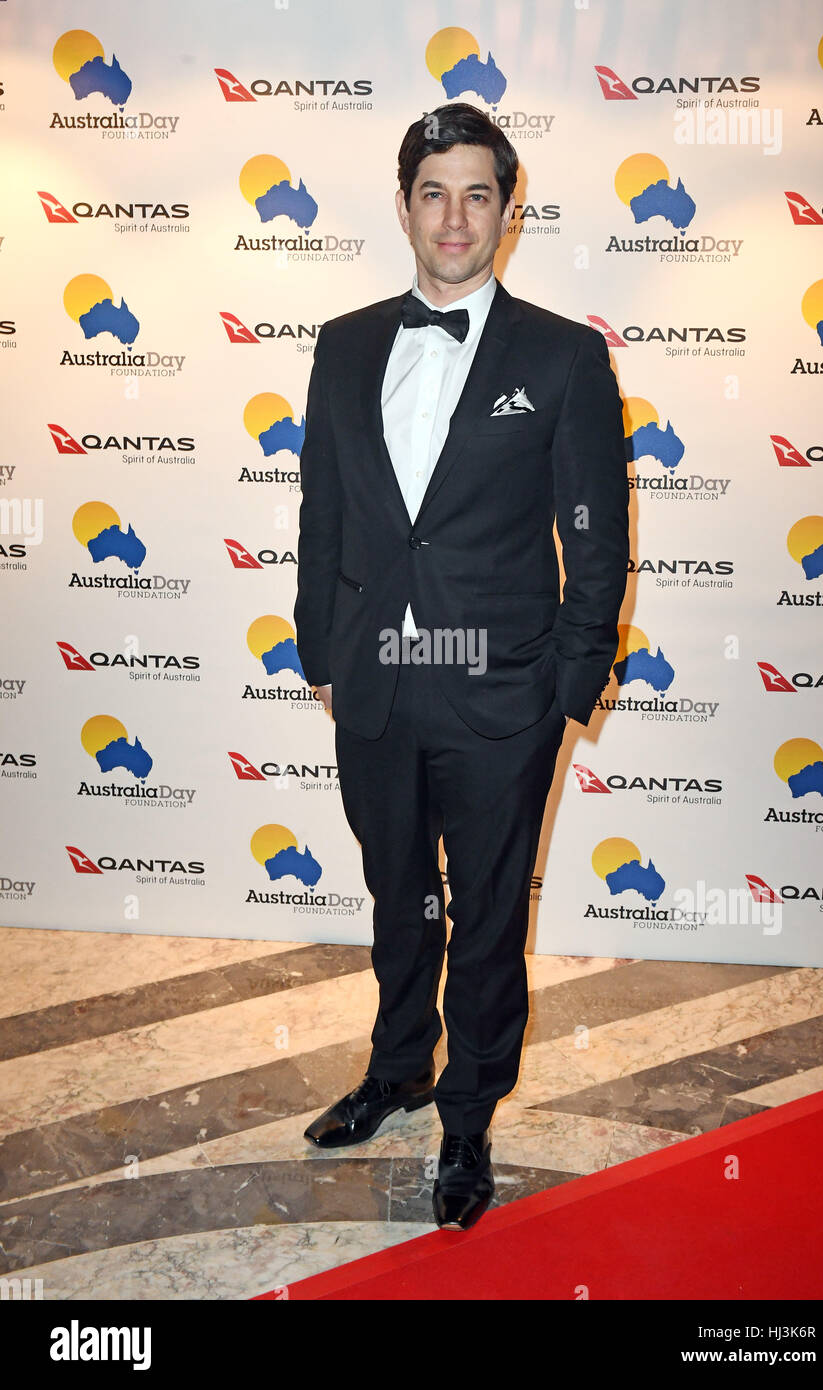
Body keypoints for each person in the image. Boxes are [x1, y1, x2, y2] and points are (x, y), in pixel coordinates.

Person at [293, 102, 629, 1231]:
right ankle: (399, 1069)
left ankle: (468, 1120)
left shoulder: (563, 354)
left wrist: (569, 690)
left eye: (476, 193)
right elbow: (322, 513)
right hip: (376, 683)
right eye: (432, 192)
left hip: (502, 695)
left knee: (485, 915)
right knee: (401, 897)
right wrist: (318, 650)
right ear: (403, 206)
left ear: (507, 209)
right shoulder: (341, 344)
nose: (453, 216)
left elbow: (593, 538)